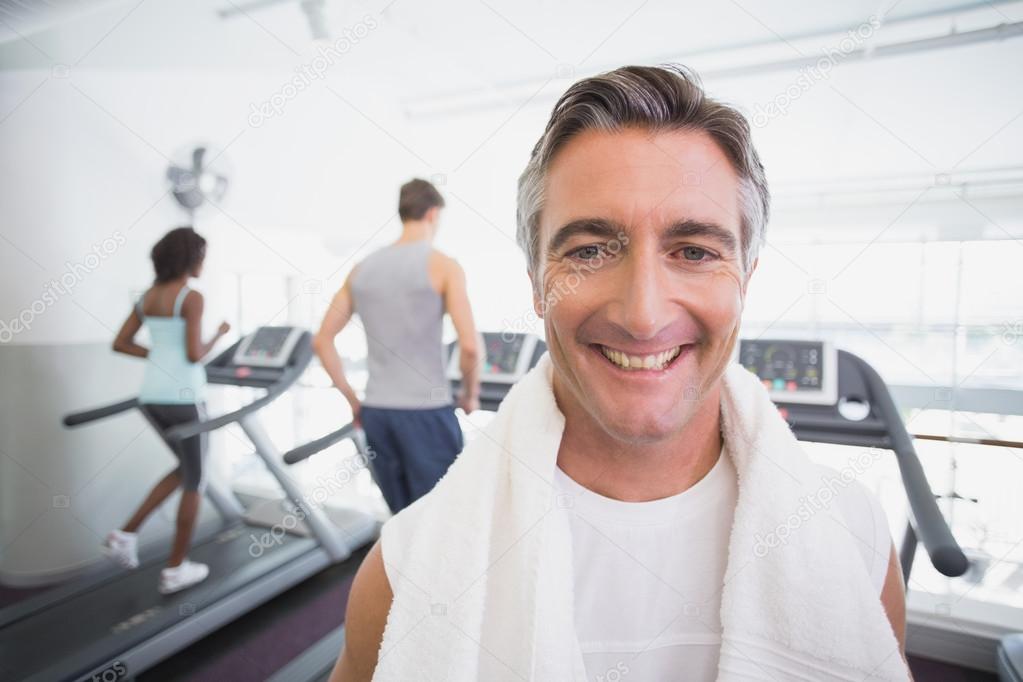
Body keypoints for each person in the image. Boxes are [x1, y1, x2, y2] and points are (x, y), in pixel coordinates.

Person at [329, 66, 911, 682]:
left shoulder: (854, 540)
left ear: (746, 278)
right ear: (536, 284)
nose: (643, 315)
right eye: (588, 251)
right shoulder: (406, 571)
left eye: (694, 251)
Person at [313, 178, 481, 514]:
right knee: (440, 519)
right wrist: (470, 395)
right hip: (427, 414)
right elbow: (471, 348)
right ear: (433, 214)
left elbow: (322, 340)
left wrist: (353, 399)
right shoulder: (444, 265)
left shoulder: (362, 269)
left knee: (402, 521)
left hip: (377, 413)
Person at [102, 226, 230, 594]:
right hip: (185, 398)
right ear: (190, 258)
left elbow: (120, 343)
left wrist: (156, 355)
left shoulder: (148, 297)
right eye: (201, 254)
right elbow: (194, 354)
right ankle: (176, 568)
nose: (204, 261)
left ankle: (125, 534)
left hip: (152, 398)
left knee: (184, 468)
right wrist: (219, 334)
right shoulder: (191, 297)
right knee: (196, 479)